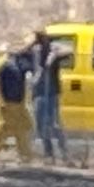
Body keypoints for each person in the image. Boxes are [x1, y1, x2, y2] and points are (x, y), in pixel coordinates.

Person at [0, 39, 35, 161]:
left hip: (15, 103)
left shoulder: (8, 65)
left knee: (21, 129)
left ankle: (26, 155)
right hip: (11, 103)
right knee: (4, 133)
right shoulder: (11, 67)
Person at [27, 27, 68, 162]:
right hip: (39, 92)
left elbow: (69, 51)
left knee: (53, 123)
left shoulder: (53, 49)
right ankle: (48, 153)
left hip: (51, 93)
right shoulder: (34, 50)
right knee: (41, 125)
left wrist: (54, 56)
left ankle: (64, 152)